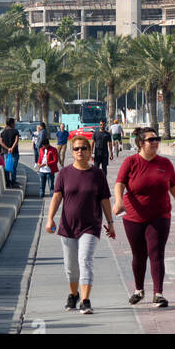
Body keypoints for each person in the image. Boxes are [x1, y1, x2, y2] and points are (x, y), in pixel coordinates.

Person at [113, 126, 175, 309]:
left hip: (160, 216)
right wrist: (118, 202)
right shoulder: (130, 162)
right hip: (133, 217)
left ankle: (158, 293)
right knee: (138, 255)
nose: (156, 142)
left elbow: (174, 188)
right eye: (151, 140)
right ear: (141, 143)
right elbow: (120, 184)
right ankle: (139, 290)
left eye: (157, 139)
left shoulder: (165, 163)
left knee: (156, 253)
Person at [46, 133, 115, 315]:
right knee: (71, 266)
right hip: (68, 225)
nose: (80, 152)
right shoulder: (64, 173)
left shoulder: (97, 174)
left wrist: (110, 222)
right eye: (76, 149)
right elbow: (57, 197)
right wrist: (49, 218)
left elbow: (105, 199)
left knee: (85, 260)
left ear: (90, 151)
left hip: (91, 226)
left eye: (84, 148)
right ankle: (73, 294)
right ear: (72, 152)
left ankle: (85, 300)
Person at [0, 117, 20, 188]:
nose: (15, 124)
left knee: (7, 168)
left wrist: (8, 148)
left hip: (6, 152)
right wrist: (12, 148)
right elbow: (16, 141)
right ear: (11, 123)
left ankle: (8, 182)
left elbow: (1, 142)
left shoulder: (2, 132)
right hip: (14, 152)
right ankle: (13, 182)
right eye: (14, 122)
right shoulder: (15, 131)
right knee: (14, 168)